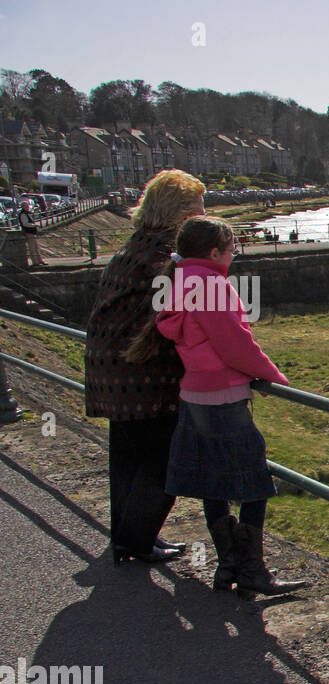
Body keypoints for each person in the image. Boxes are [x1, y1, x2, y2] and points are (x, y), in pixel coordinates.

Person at [147, 216, 308, 598]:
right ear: (215, 251)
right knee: (254, 481)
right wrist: (274, 378)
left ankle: (228, 566)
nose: (234, 255)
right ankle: (252, 569)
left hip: (193, 395)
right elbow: (234, 343)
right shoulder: (211, 285)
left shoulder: (180, 280)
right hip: (224, 396)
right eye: (232, 248)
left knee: (211, 482)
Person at [85, 169, 207, 564]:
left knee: (127, 457)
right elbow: (182, 315)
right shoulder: (166, 255)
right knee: (165, 458)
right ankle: (137, 538)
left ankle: (126, 535)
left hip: (111, 370)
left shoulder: (136, 245)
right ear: (178, 212)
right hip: (143, 375)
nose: (203, 215)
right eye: (197, 209)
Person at [18, 201, 45, 267]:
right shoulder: (23, 214)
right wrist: (34, 225)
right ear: (23, 206)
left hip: (32, 232)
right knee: (32, 248)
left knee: (36, 247)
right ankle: (35, 262)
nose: (28, 207)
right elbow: (25, 224)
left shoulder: (27, 213)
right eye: (27, 206)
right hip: (29, 232)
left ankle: (40, 260)